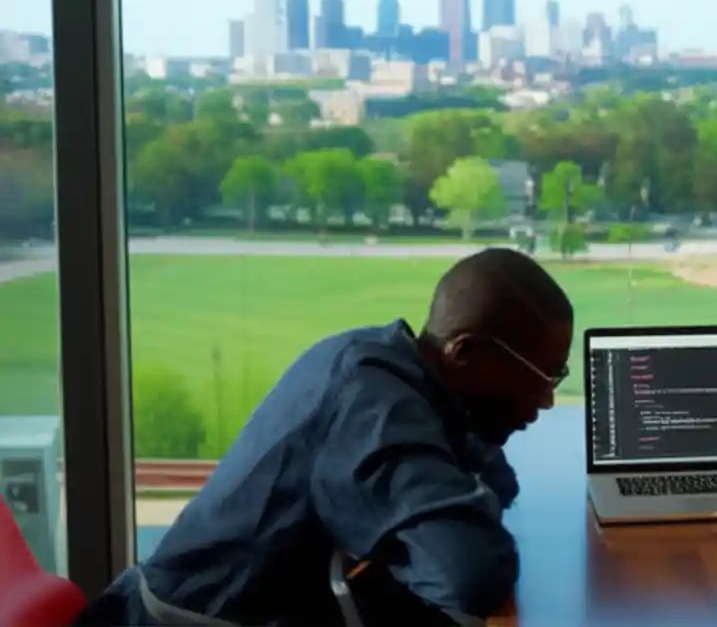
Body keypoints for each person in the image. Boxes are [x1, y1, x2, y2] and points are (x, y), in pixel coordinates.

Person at [80, 248, 573, 626]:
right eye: (542, 376)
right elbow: (471, 573)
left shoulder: (389, 362)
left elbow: (497, 482)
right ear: (464, 353)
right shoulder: (373, 406)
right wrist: (464, 503)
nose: (547, 399)